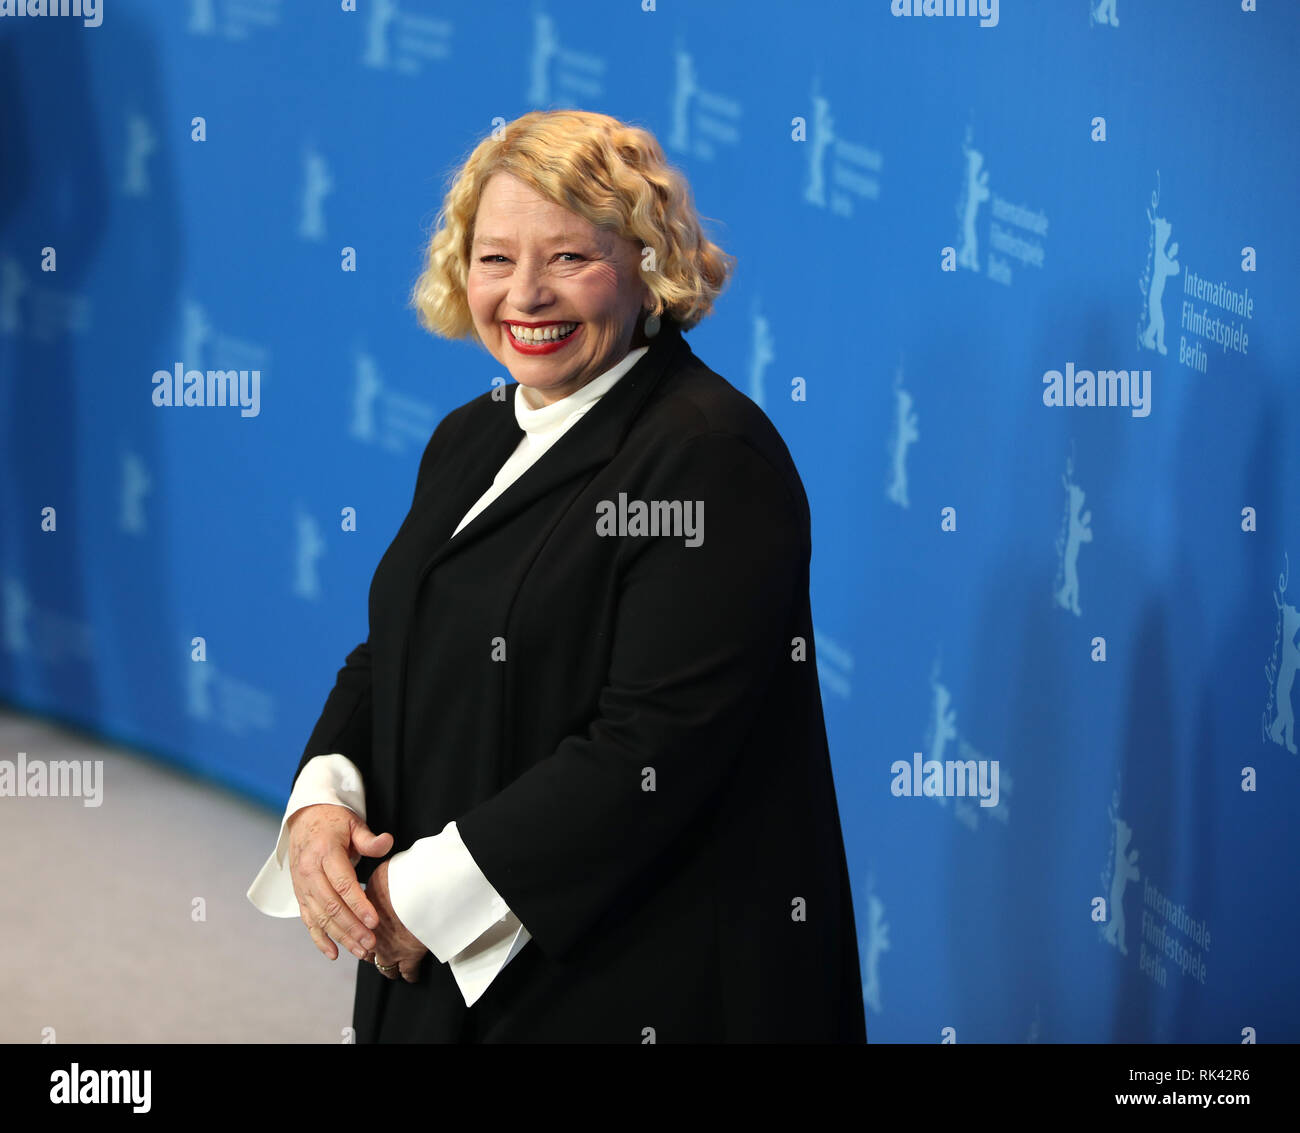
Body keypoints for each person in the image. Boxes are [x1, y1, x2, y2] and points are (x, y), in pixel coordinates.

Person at [247, 108, 866, 1043]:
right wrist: (322, 799)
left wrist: (417, 898)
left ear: (652, 269)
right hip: (448, 954)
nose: (526, 295)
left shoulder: (709, 458)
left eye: (571, 258)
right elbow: (397, 647)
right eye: (496, 258)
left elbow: (648, 751)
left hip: (635, 981)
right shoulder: (473, 433)